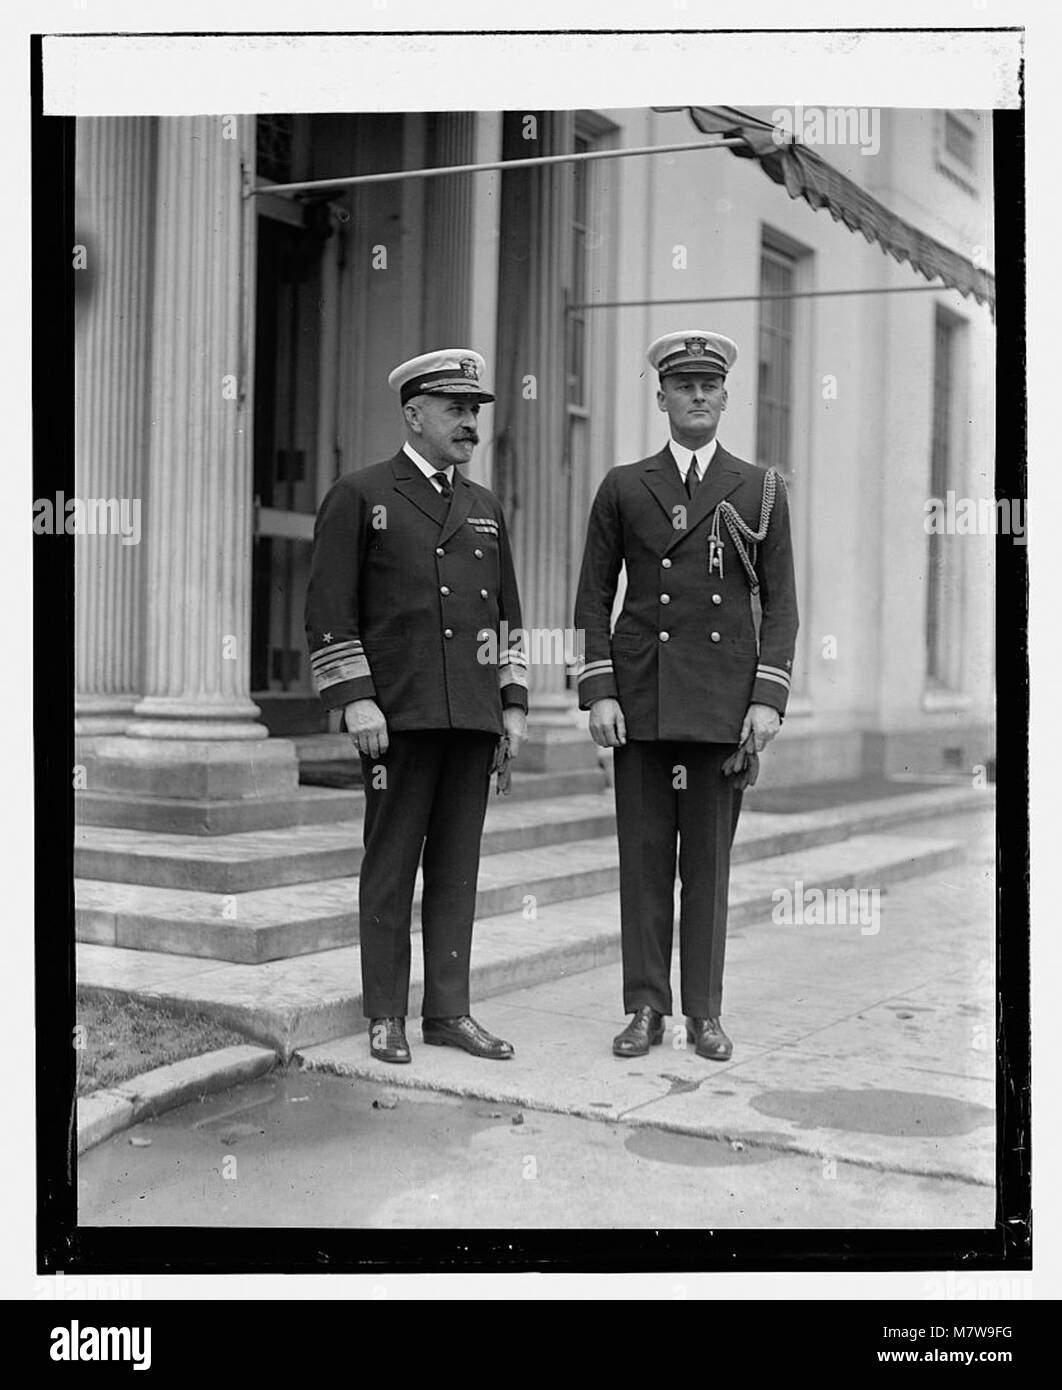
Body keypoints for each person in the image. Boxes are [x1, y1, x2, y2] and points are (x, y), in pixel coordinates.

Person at [574, 331, 798, 1061]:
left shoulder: (759, 488)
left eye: (710, 386)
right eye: (684, 385)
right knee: (643, 863)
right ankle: (645, 1008)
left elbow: (785, 606)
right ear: (662, 397)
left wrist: (766, 700)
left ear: (726, 397)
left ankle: (702, 1013)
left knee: (706, 867)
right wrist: (600, 689)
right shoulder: (624, 485)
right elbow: (593, 597)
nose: (698, 396)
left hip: (720, 707)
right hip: (641, 702)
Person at [305, 349, 528, 1065]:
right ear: (414, 413)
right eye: (456, 408)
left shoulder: (484, 506)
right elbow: (329, 611)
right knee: (392, 866)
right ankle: (383, 1016)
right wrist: (356, 700)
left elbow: (507, 621)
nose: (470, 423)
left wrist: (514, 708)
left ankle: (449, 1012)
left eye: (475, 411)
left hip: (472, 717)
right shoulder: (361, 493)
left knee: (459, 869)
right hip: (395, 719)